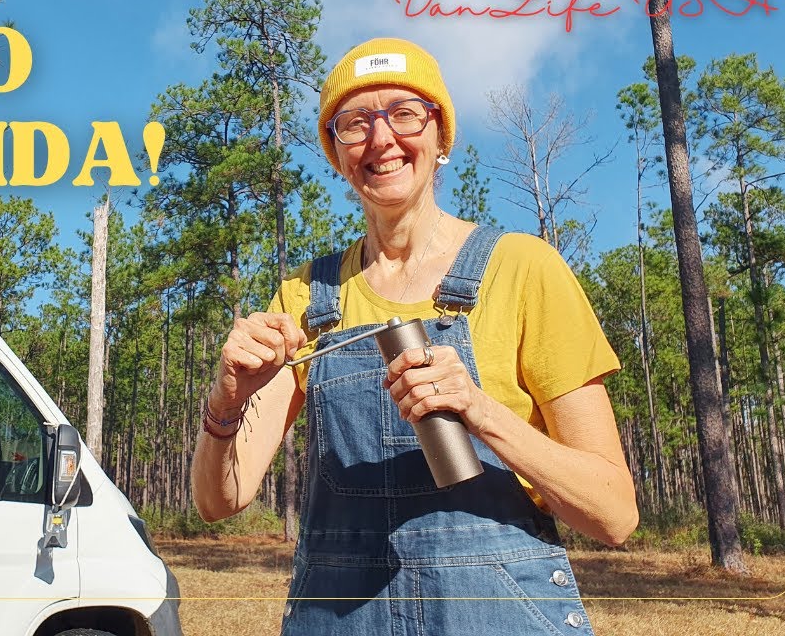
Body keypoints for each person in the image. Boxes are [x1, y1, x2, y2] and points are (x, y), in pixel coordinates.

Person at [191, 37, 638, 635]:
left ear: (441, 136)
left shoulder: (524, 269)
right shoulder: (305, 298)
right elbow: (219, 501)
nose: (381, 140)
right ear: (336, 152)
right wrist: (225, 404)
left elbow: (614, 514)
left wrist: (480, 412)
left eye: (404, 113)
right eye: (355, 123)